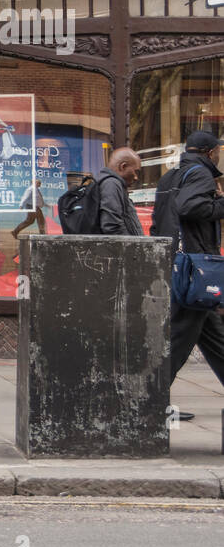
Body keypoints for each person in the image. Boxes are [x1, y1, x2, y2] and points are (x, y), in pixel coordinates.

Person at [151, 131, 224, 419]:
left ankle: (151, 400)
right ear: (209, 152)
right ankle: (149, 401)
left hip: (178, 265)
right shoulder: (202, 175)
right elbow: (190, 207)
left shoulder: (170, 177)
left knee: (216, 340)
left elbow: (160, 221)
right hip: (196, 272)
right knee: (178, 339)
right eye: (218, 150)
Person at [96, 147, 143, 236]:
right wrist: (132, 246)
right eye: (135, 171)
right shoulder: (111, 184)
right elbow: (112, 226)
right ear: (123, 166)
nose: (136, 177)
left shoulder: (113, 184)